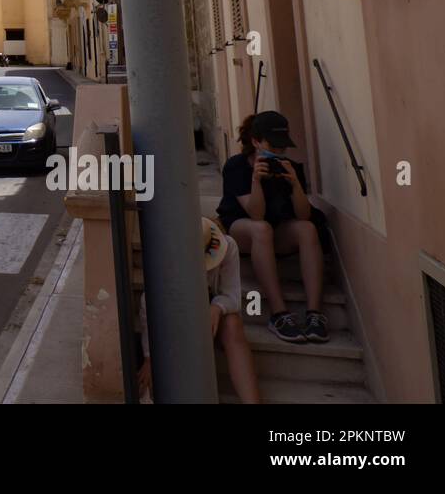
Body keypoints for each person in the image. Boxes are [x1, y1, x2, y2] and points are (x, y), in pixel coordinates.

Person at [216, 111, 328, 345]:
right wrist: (256, 180)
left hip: (277, 229)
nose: (278, 151)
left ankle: (314, 314)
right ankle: (278, 313)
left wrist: (295, 184)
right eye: (273, 145)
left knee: (307, 229)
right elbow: (255, 214)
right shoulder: (236, 167)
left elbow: (303, 215)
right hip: (242, 229)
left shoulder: (291, 167)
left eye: (282, 146)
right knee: (262, 229)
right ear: (256, 141)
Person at [139, 217, 261, 404]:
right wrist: (149, 357)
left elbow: (233, 296)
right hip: (180, 316)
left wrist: (217, 308)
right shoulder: (168, 256)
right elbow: (148, 302)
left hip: (213, 318)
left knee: (233, 324)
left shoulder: (228, 247)